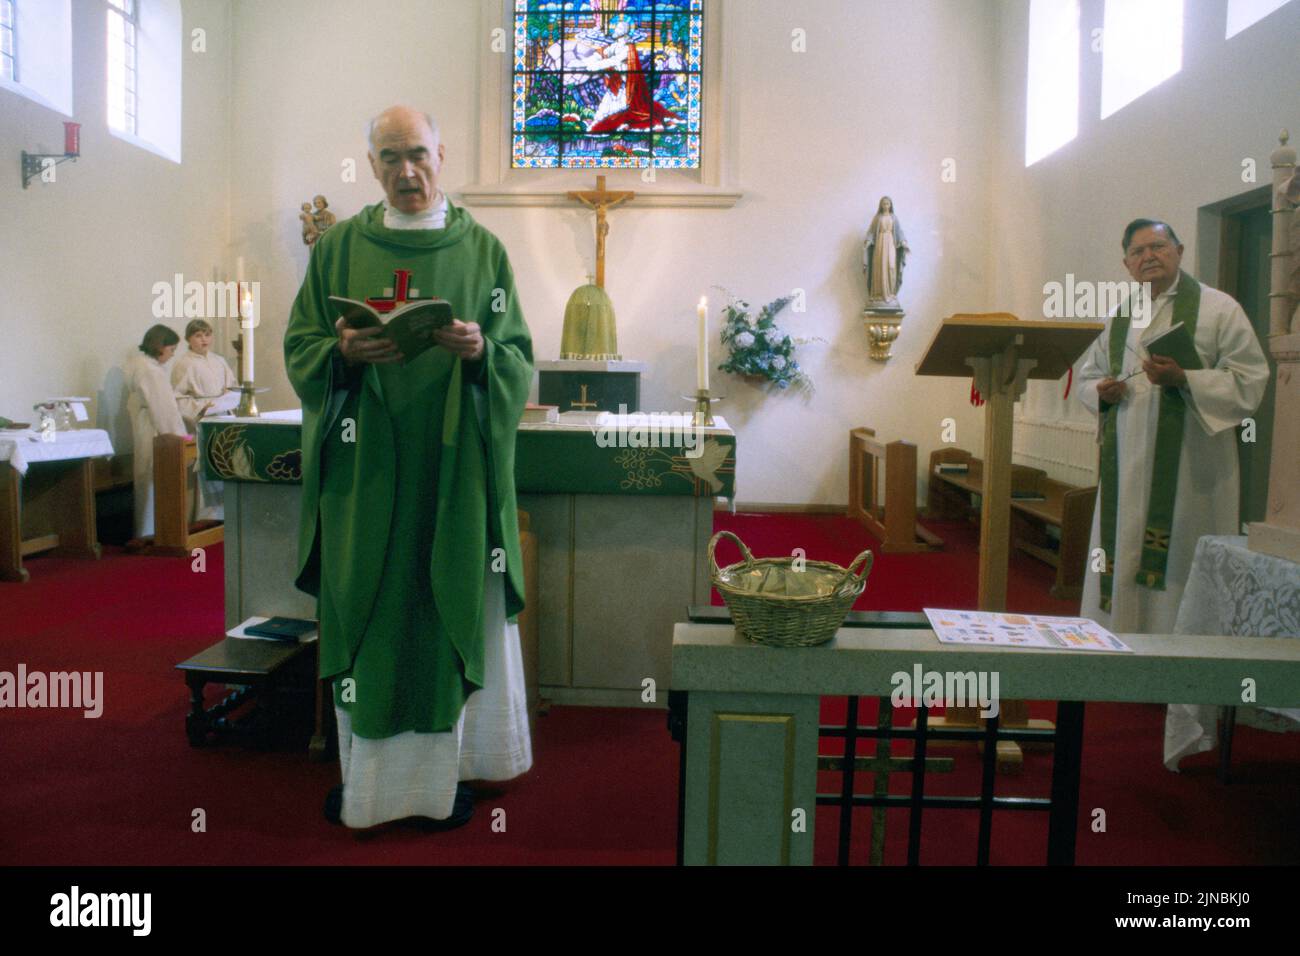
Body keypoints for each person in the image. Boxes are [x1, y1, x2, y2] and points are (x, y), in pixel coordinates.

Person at [284, 105, 534, 830]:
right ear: (370, 166)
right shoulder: (336, 249)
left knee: (446, 605)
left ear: (442, 154)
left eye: (417, 154)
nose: (406, 171)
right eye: (389, 157)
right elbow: (302, 344)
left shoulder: (483, 250)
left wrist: (482, 353)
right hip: (365, 476)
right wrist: (341, 353)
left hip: (453, 472)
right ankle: (372, 787)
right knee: (373, 609)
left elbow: (518, 355)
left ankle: (450, 777)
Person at [1076, 219, 1270, 635]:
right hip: (1126, 460)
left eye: (1158, 247)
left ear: (1180, 252)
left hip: (1191, 466)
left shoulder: (1220, 309)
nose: (1148, 257)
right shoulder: (1119, 317)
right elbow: (1087, 375)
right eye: (1137, 251)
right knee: (1125, 544)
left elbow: (1250, 377)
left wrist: (1186, 379)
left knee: (1182, 551)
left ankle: (1178, 651)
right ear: (1126, 264)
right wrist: (1101, 391)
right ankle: (1118, 638)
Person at [171, 318, 238, 520]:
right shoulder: (184, 364)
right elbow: (178, 397)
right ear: (188, 339)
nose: (204, 340)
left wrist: (230, 397)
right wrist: (202, 408)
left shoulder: (219, 361)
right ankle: (207, 518)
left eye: (207, 334)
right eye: (198, 335)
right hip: (202, 422)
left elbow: (232, 386)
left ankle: (224, 516)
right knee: (206, 470)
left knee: (224, 464)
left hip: (223, 419)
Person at [124, 324, 186, 540]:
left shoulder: (138, 364)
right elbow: (164, 409)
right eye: (171, 350)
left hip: (144, 426)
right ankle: (154, 532)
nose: (171, 355)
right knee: (153, 477)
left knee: (145, 476)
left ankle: (145, 530)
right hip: (155, 429)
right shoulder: (151, 371)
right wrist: (180, 437)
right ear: (160, 346)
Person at [863, 196, 908, 309]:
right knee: (879, 267)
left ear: (891, 205)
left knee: (891, 267)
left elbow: (899, 232)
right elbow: (871, 232)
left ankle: (890, 293)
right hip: (880, 244)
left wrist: (903, 242)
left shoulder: (894, 218)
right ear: (881, 205)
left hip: (891, 244)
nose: (886, 205)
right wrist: (868, 241)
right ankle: (879, 294)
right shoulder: (877, 218)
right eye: (884, 203)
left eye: (888, 203)